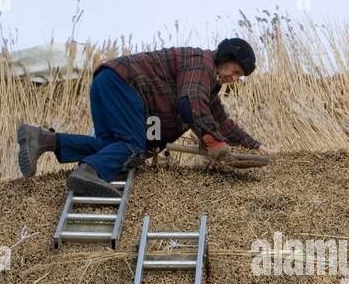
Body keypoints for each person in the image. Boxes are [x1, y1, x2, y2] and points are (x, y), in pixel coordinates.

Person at [15, 38, 266, 197]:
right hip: (125, 84)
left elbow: (222, 121)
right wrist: (213, 142)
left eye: (239, 77)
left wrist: (255, 146)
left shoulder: (210, 85)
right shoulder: (201, 63)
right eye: (235, 72)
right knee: (132, 148)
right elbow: (190, 101)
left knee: (111, 149)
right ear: (225, 59)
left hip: (106, 81)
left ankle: (43, 140)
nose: (235, 79)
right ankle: (88, 171)